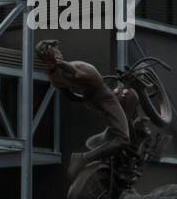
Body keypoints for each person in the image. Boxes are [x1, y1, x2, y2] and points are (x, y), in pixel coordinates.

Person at [36, 39, 129, 178]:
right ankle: (84, 157)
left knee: (115, 122)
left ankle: (110, 148)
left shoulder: (54, 77)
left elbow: (70, 97)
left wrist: (85, 99)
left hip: (91, 101)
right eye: (56, 51)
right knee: (123, 139)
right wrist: (60, 63)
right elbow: (77, 73)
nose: (59, 52)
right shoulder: (80, 67)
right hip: (104, 97)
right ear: (55, 55)